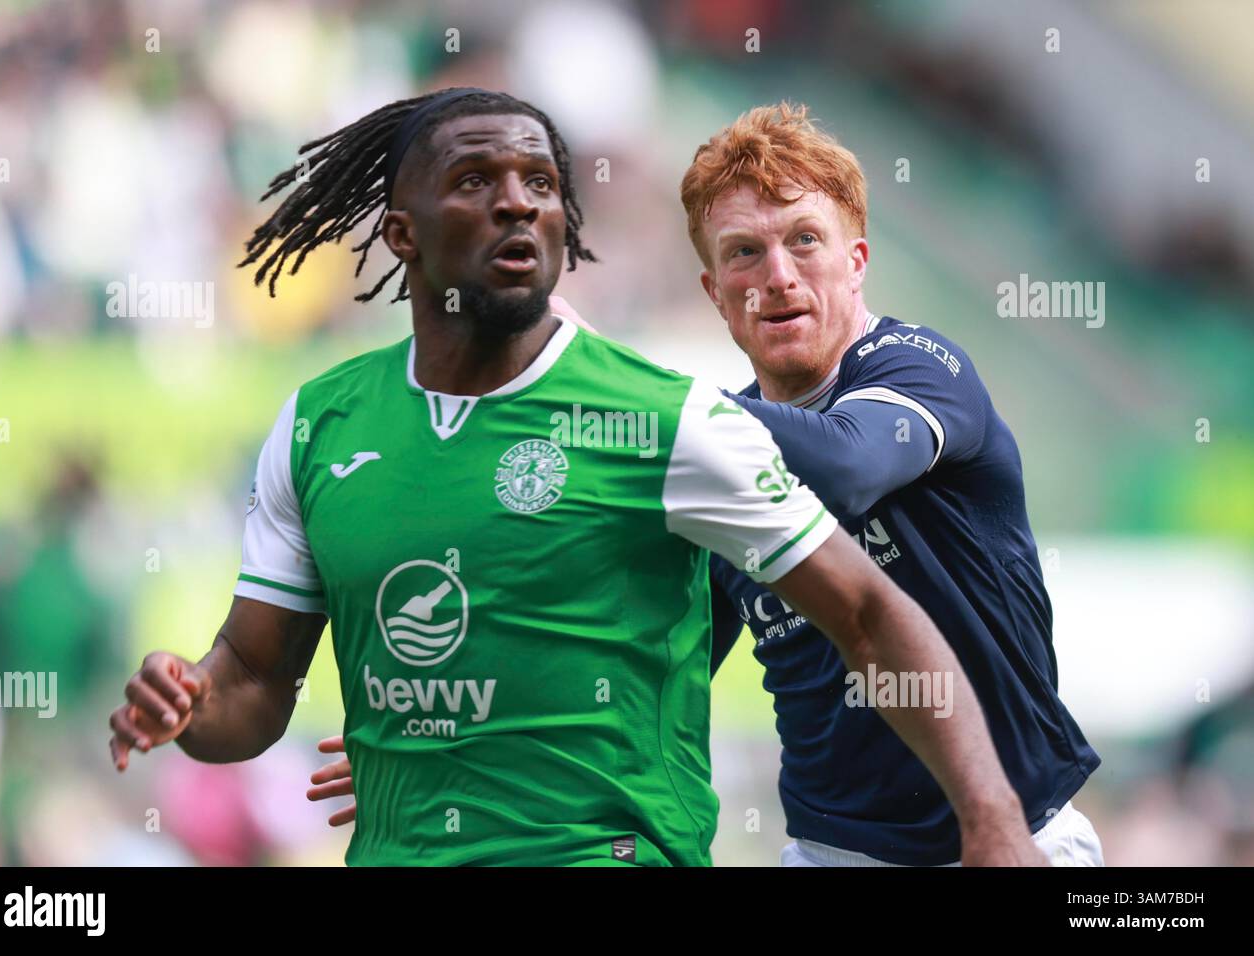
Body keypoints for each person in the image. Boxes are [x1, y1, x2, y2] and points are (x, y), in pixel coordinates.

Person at [110, 88, 1043, 866]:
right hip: (831, 846)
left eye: (542, 184)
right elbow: (251, 680)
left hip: (1007, 828)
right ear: (401, 232)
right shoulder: (319, 426)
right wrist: (193, 697)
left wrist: (993, 819)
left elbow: (862, 565)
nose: (518, 203)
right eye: (476, 182)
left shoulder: (839, 387)